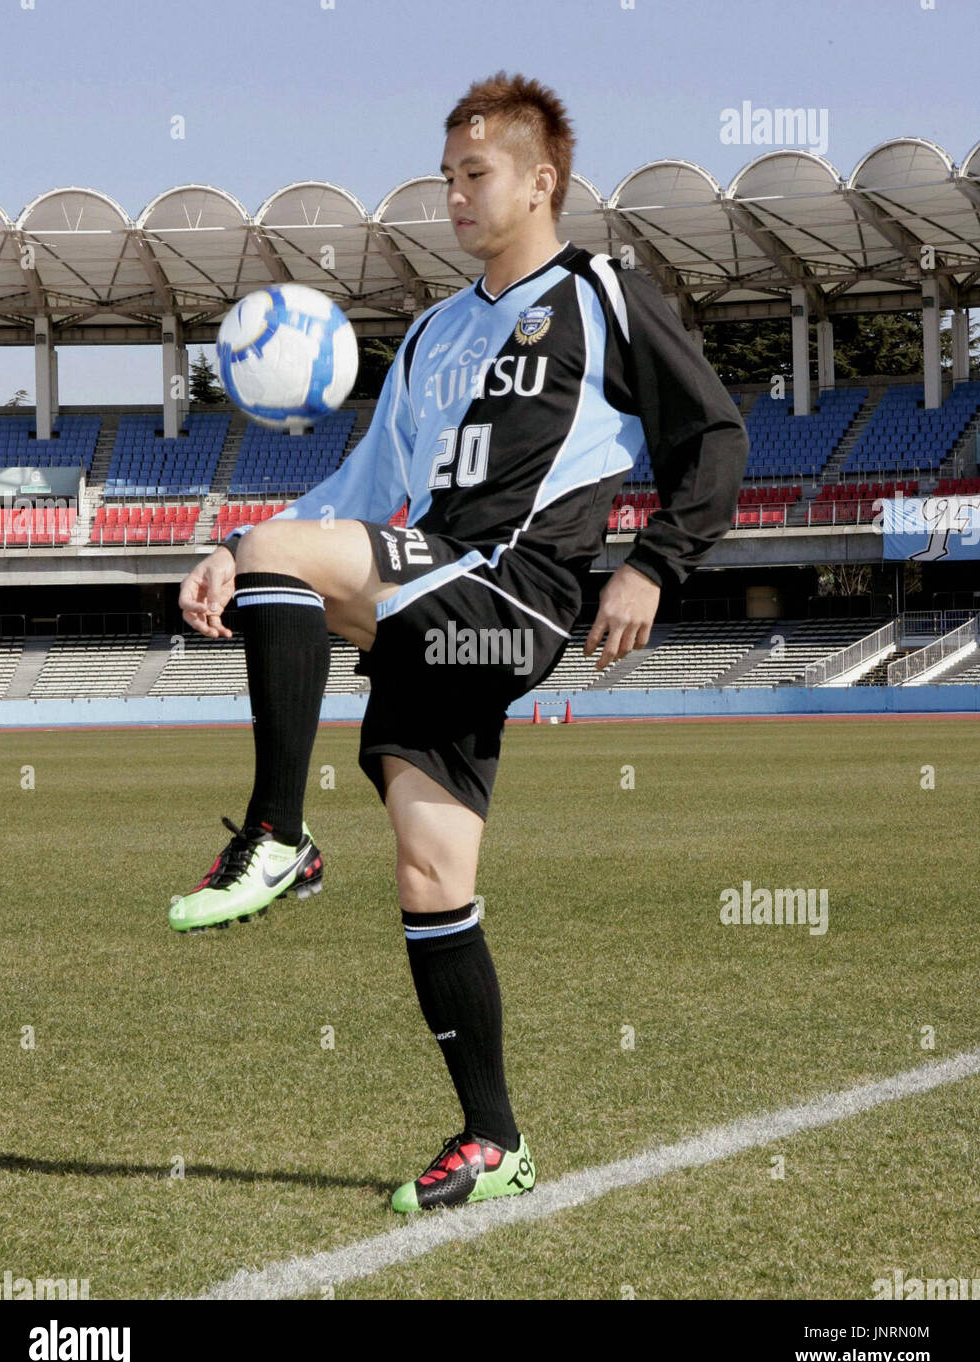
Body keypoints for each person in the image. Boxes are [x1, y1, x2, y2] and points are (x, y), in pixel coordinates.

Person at [169, 70, 749, 1213]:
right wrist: (241, 544)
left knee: (287, 557)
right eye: (445, 179)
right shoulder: (434, 329)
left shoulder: (601, 294)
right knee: (434, 874)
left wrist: (650, 562)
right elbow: (364, 484)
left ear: (542, 181)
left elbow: (716, 437)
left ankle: (280, 837)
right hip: (434, 604)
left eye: (475, 176)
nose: (455, 198)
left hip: (513, 591)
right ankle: (494, 1142)